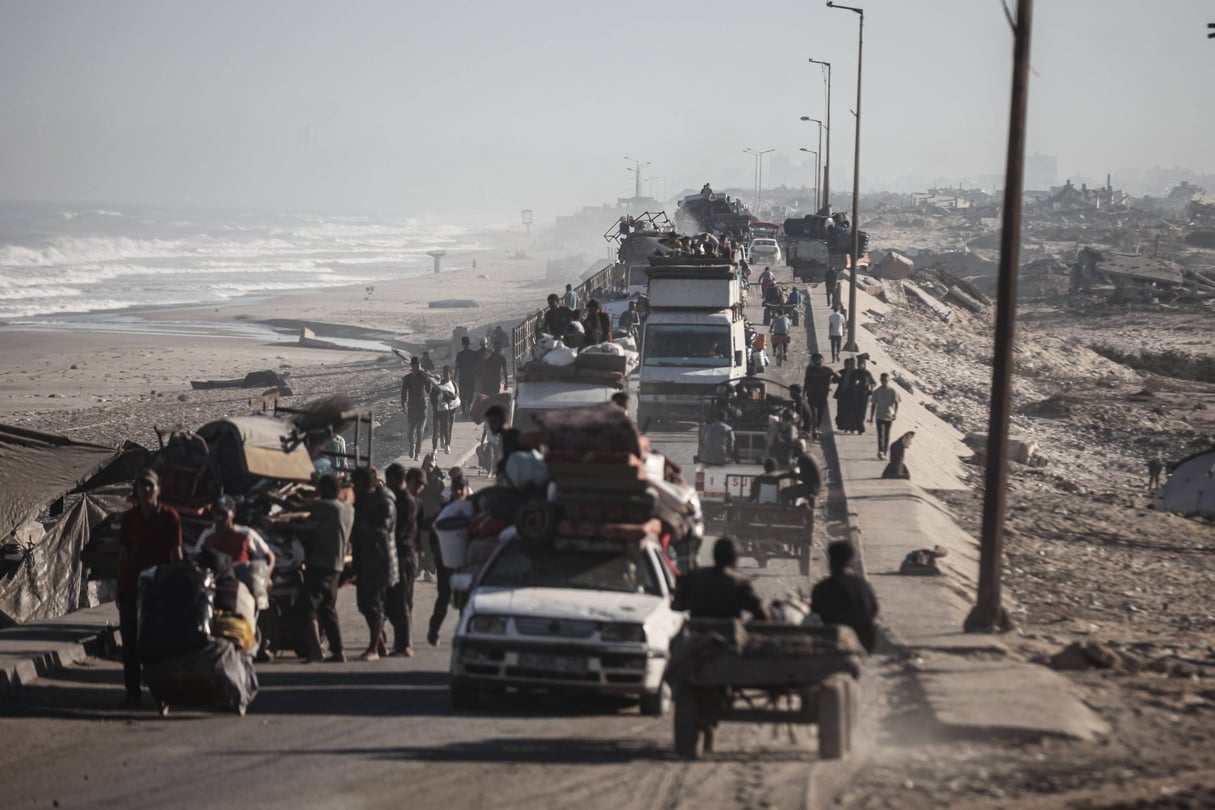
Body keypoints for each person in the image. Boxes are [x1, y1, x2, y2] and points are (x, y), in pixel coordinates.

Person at [117, 469, 182, 707]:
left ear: (158, 489)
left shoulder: (170, 518)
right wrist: (119, 589)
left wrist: (177, 585)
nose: (145, 491)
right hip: (131, 588)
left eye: (150, 487)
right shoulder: (129, 519)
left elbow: (176, 554)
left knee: (159, 643)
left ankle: (163, 692)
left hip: (159, 589)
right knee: (131, 644)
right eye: (141, 487)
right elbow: (123, 555)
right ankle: (132, 693)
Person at [300, 474, 353, 663]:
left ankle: (315, 651)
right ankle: (338, 651)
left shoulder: (327, 507)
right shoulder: (348, 508)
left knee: (308, 606)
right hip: (337, 564)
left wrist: (272, 499)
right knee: (328, 608)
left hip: (320, 563)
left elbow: (301, 508)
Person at [349, 466, 399, 661]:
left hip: (381, 560)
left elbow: (384, 531)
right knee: (364, 605)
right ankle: (379, 643)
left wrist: (361, 529)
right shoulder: (363, 500)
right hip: (365, 560)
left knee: (375, 604)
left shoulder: (384, 501)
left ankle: (374, 648)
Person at [672, 537, 768, 621]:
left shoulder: (694, 576)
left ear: (714, 555)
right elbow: (763, 616)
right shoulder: (739, 582)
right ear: (734, 558)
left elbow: (676, 606)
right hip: (728, 636)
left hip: (696, 634)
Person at [385, 464, 426, 657]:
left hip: (404, 555)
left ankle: (405, 644)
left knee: (402, 600)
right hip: (403, 554)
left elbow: (401, 532)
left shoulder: (406, 502)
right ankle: (399, 642)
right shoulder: (402, 500)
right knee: (397, 600)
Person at [811, 540, 879, 654]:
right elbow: (874, 610)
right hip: (867, 643)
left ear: (831, 561)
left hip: (837, 643)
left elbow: (815, 614)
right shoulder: (862, 584)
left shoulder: (823, 587)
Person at [428, 476, 469, 646]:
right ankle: (433, 631)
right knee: (443, 597)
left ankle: (463, 635)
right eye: (456, 488)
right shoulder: (445, 509)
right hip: (446, 562)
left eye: (461, 488)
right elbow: (433, 533)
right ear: (451, 490)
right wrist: (437, 552)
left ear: (466, 489)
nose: (458, 491)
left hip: (466, 564)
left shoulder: (472, 508)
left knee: (464, 601)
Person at [192, 495, 277, 572]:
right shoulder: (207, 535)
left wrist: (267, 575)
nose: (219, 517)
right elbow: (195, 557)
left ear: (233, 514)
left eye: (223, 513)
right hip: (216, 580)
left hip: (240, 580)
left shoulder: (246, 534)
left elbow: (270, 556)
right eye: (216, 513)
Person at [400, 356, 434, 460]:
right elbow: (403, 392)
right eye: (416, 365)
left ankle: (417, 453)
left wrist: (428, 380)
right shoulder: (407, 378)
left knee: (420, 431)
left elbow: (428, 390)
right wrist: (403, 405)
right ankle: (412, 447)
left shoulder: (423, 377)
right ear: (412, 366)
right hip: (411, 408)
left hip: (422, 407)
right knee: (410, 433)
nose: (418, 367)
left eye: (419, 365)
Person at [803, 353, 840, 440]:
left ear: (823, 360)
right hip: (812, 395)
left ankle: (816, 428)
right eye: (816, 360)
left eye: (820, 359)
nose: (819, 361)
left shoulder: (827, 370)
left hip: (823, 396)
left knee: (820, 414)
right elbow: (806, 381)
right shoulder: (810, 370)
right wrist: (804, 393)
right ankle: (814, 429)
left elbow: (838, 377)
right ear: (813, 361)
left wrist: (833, 377)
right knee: (813, 412)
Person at [779, 441, 824, 507]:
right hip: (816, 487)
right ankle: (794, 508)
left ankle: (788, 513)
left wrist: (790, 475)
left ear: (797, 450)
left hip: (811, 488)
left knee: (784, 492)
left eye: (793, 450)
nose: (792, 452)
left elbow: (802, 478)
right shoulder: (809, 455)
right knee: (792, 490)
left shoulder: (802, 458)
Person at [483, 404, 522, 480]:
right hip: (490, 440)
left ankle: (496, 471)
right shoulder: (487, 422)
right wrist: (482, 442)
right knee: (491, 456)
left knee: (498, 457)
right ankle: (490, 472)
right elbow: (484, 431)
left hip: (498, 441)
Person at [869, 373, 901, 460]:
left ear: (889, 381)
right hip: (879, 416)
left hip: (889, 416)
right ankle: (881, 451)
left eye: (886, 380)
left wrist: (895, 414)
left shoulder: (893, 391)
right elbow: (873, 404)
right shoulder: (877, 391)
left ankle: (885, 452)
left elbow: (897, 402)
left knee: (887, 435)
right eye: (883, 380)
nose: (884, 382)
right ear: (880, 380)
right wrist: (871, 417)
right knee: (880, 434)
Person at [430, 365, 459, 454]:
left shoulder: (453, 384)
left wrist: (448, 396)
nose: (445, 375)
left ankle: (447, 445)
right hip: (439, 410)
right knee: (436, 430)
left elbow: (455, 396)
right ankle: (435, 448)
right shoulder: (440, 384)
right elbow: (432, 396)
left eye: (447, 373)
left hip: (450, 410)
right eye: (444, 373)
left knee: (447, 428)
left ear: (450, 373)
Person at [454, 336, 480, 418]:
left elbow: (457, 367)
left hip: (463, 377)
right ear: (469, 344)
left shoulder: (460, 354)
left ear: (462, 344)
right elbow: (478, 366)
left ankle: (464, 410)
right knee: (470, 394)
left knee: (462, 395)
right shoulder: (474, 353)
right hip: (471, 377)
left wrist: (455, 377)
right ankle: (468, 409)